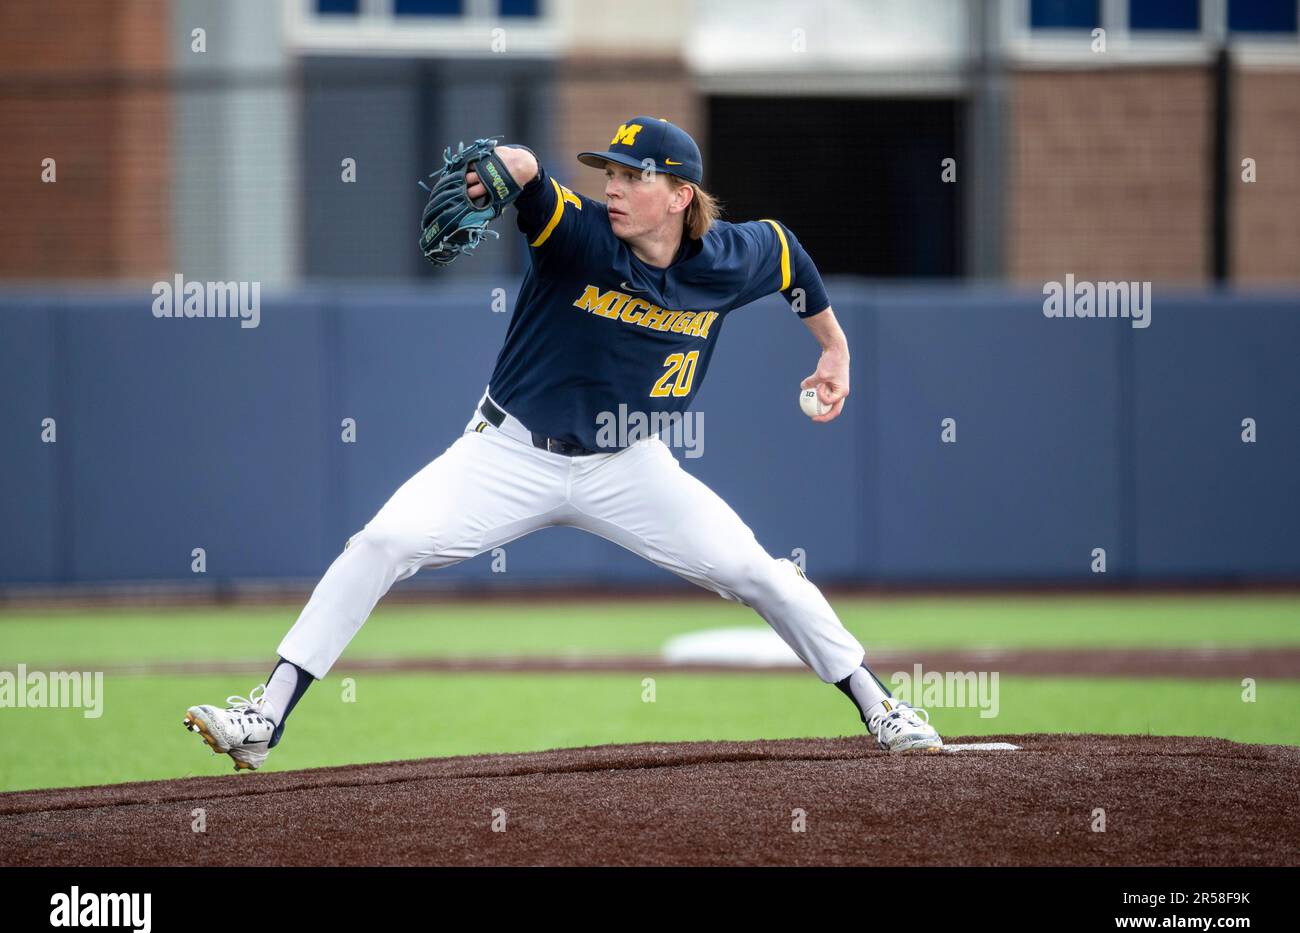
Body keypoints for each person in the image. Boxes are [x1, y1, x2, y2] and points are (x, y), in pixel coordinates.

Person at [182, 115, 942, 772]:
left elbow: (790, 259)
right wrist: (509, 166)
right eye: (608, 171)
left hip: (630, 466)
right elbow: (530, 177)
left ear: (679, 196)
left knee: (758, 572)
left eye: (633, 175)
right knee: (381, 541)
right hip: (508, 453)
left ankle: (881, 707)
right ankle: (265, 719)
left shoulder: (730, 257)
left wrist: (834, 350)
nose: (612, 185)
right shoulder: (579, 235)